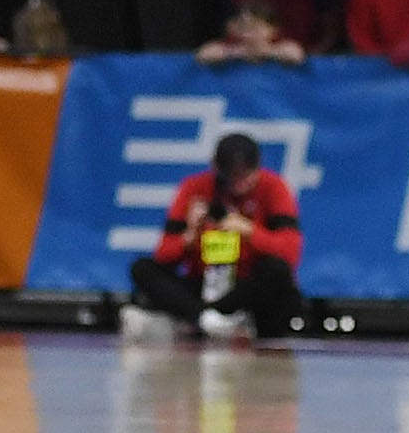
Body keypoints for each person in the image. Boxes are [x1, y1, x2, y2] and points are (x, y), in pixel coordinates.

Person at [122, 131, 302, 341]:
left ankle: (202, 320)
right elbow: (163, 255)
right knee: (142, 268)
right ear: (215, 167)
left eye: (245, 176)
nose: (238, 184)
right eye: (231, 176)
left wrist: (249, 231)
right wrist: (189, 237)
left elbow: (290, 253)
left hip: (247, 288)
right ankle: (209, 320)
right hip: (205, 284)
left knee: (278, 272)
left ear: (258, 167)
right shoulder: (194, 188)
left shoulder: (273, 187)